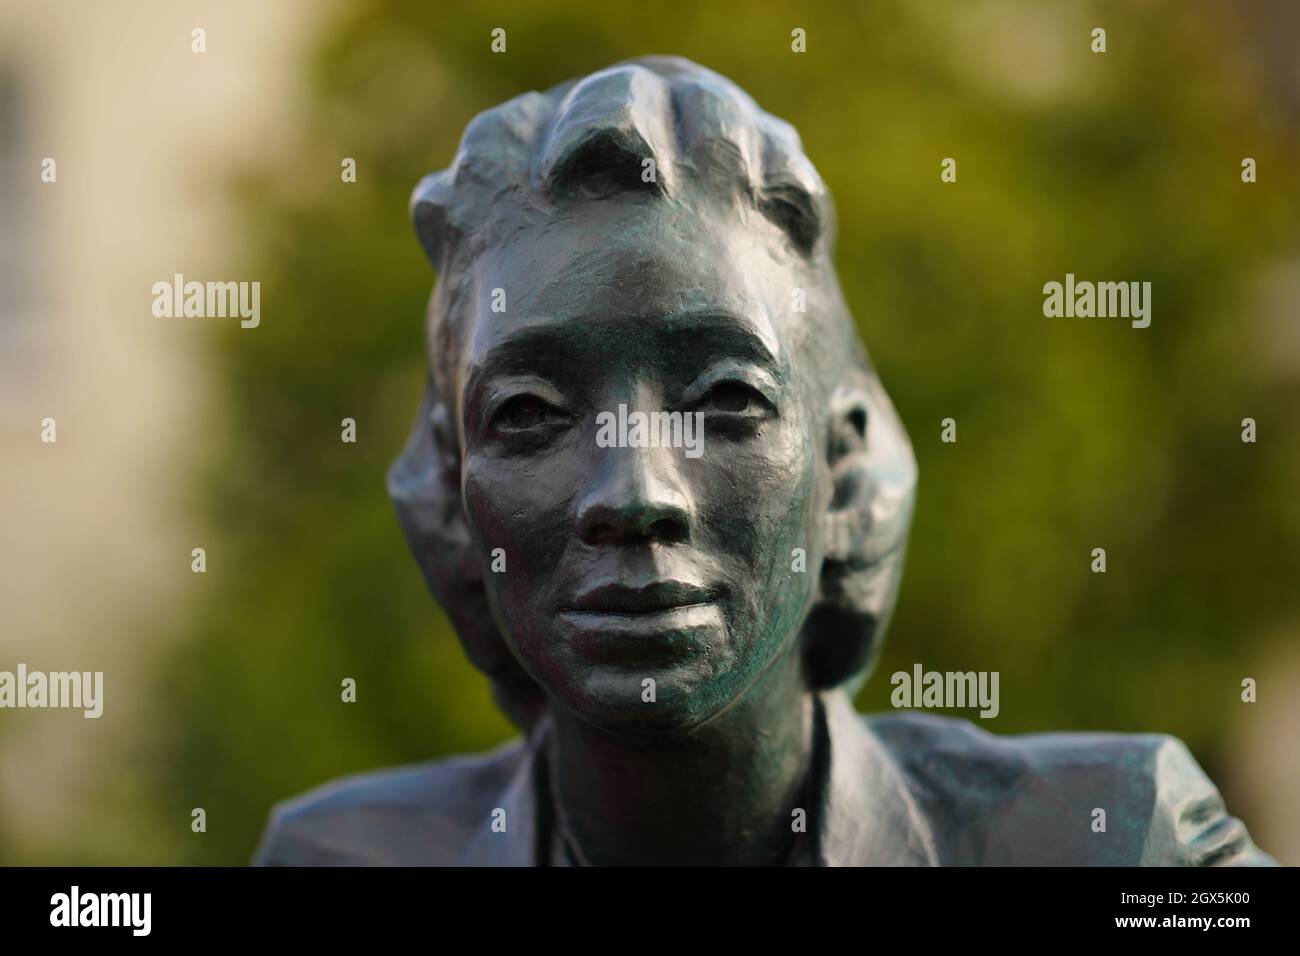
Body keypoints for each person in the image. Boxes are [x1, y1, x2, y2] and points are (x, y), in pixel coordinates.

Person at [254, 56, 1273, 866]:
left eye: (725, 397)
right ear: (449, 492)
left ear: (845, 462)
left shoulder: (1125, 843)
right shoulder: (336, 855)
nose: (634, 492)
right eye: (529, 412)